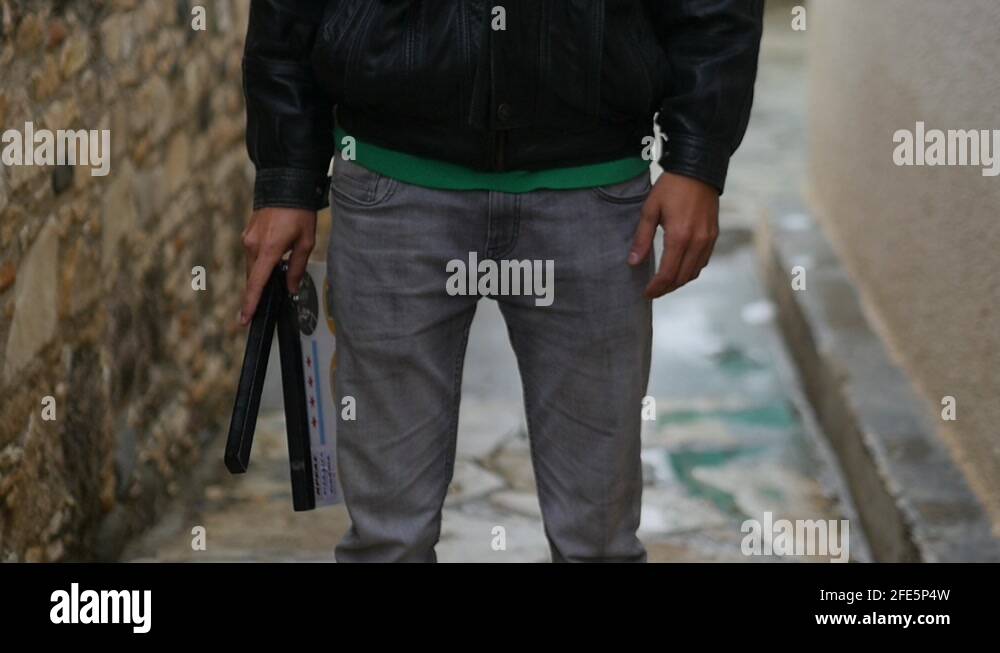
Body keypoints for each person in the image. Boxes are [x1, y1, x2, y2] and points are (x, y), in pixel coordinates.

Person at [240, 0, 763, 562]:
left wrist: (698, 158)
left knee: (600, 545)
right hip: (391, 180)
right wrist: (287, 176)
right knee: (387, 545)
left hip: (594, 183)